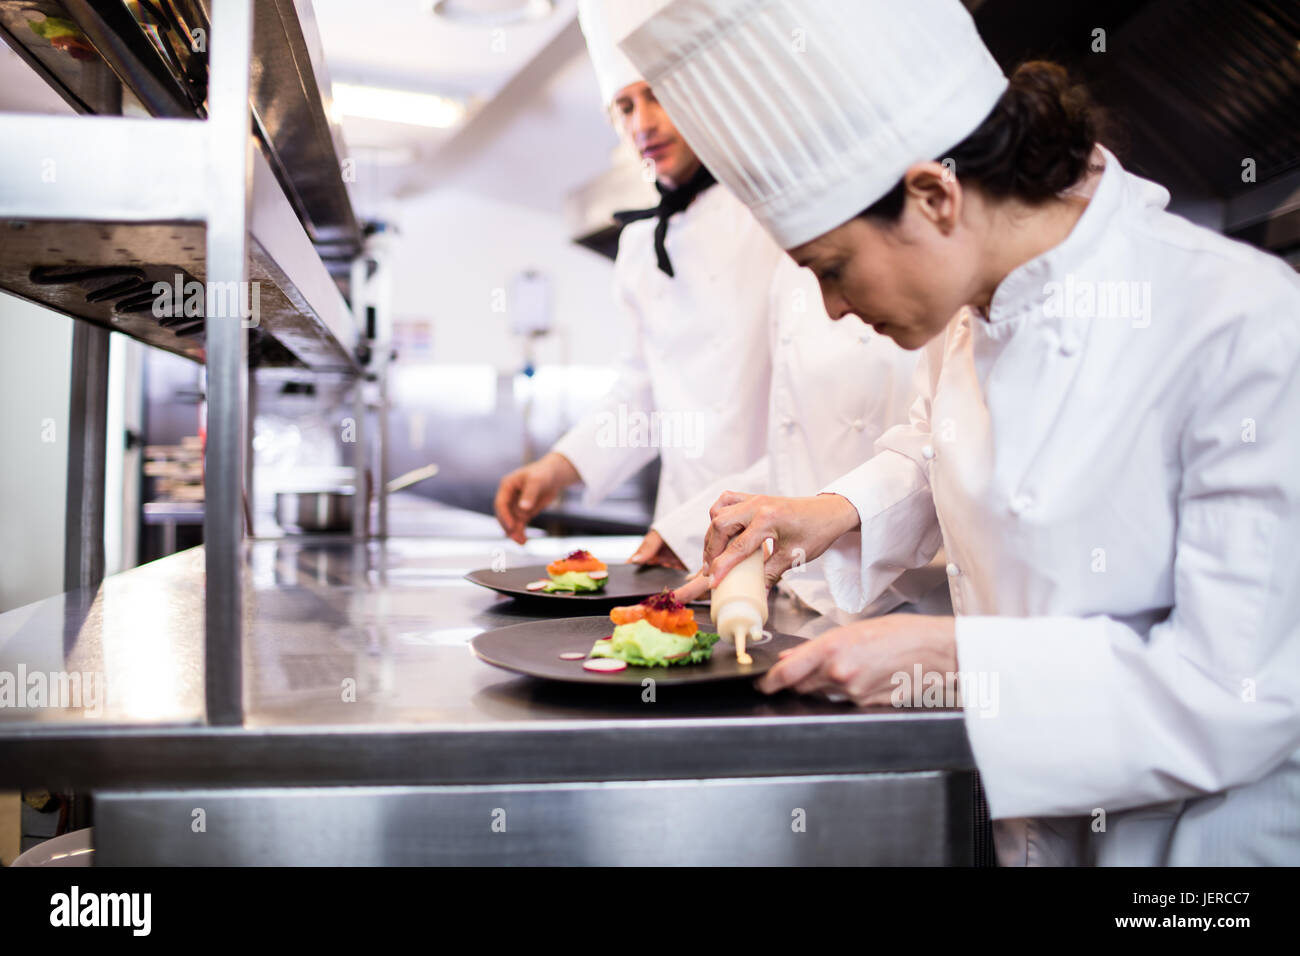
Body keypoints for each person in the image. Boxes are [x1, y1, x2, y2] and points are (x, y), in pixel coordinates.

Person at [620, 0, 1300, 865]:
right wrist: (830, 511)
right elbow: (931, 447)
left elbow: (1237, 694)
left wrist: (952, 659)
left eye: (833, 269)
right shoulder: (970, 313)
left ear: (934, 194)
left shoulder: (1242, 323)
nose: (832, 307)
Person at [493, 0, 780, 546]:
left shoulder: (772, 219)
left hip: (787, 528)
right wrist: (558, 467)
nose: (642, 123)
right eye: (623, 107)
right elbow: (641, 395)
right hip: (685, 536)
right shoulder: (639, 245)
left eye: (658, 96)